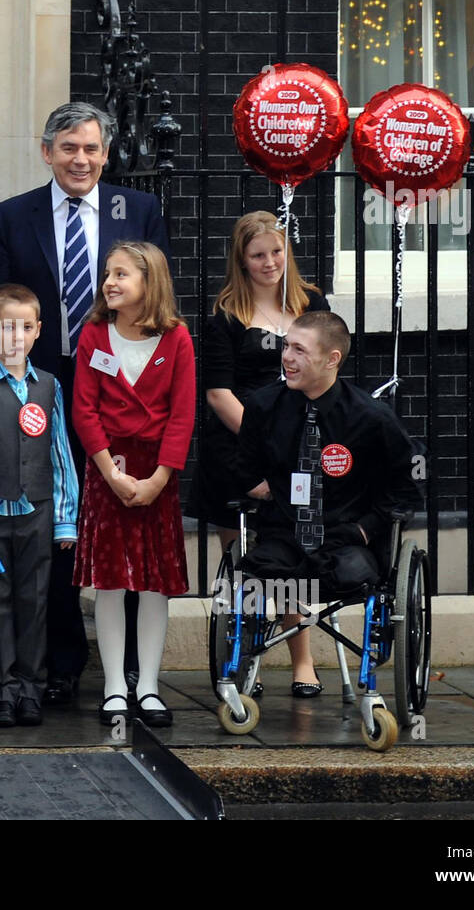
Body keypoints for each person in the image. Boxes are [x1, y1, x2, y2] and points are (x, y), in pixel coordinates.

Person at [0, 102, 169, 706]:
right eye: (68, 148)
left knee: (131, 514)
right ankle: (63, 661)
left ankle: (138, 669)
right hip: (42, 385)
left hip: (125, 391)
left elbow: (160, 301)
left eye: (91, 148)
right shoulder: (14, 215)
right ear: (47, 153)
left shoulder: (136, 210)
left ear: (107, 153)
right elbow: (1, 304)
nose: (80, 159)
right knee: (55, 522)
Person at [190, 211, 330, 695]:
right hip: (236, 447)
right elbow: (217, 392)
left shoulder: (311, 303)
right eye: (257, 255)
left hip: (300, 443)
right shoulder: (226, 313)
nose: (269, 262)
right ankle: (243, 656)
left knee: (294, 553)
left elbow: (328, 373)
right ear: (242, 260)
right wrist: (262, 439)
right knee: (244, 555)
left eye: (276, 251)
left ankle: (303, 662)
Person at [236, 312, 422, 652]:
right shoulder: (263, 406)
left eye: (300, 350)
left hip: (346, 542)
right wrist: (253, 484)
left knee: (355, 574)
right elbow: (242, 463)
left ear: (332, 359)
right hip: (283, 536)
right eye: (286, 346)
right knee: (254, 575)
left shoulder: (371, 417)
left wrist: (367, 527)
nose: (287, 358)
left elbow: (408, 483)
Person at [71, 241, 195, 728]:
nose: (110, 282)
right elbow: (84, 408)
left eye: (122, 274)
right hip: (108, 467)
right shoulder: (94, 334)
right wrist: (110, 473)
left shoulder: (177, 338)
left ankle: (148, 686)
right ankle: (114, 688)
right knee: (110, 581)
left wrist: (159, 478)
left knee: (152, 585)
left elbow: (182, 414)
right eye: (108, 273)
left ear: (151, 282)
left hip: (157, 471)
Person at [0, 284, 80, 728]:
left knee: (34, 601)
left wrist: (65, 518)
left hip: (37, 513)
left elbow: (60, 453)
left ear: (39, 331)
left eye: (25, 327)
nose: (16, 336)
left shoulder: (50, 386)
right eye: (6, 327)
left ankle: (30, 690)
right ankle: (0, 692)